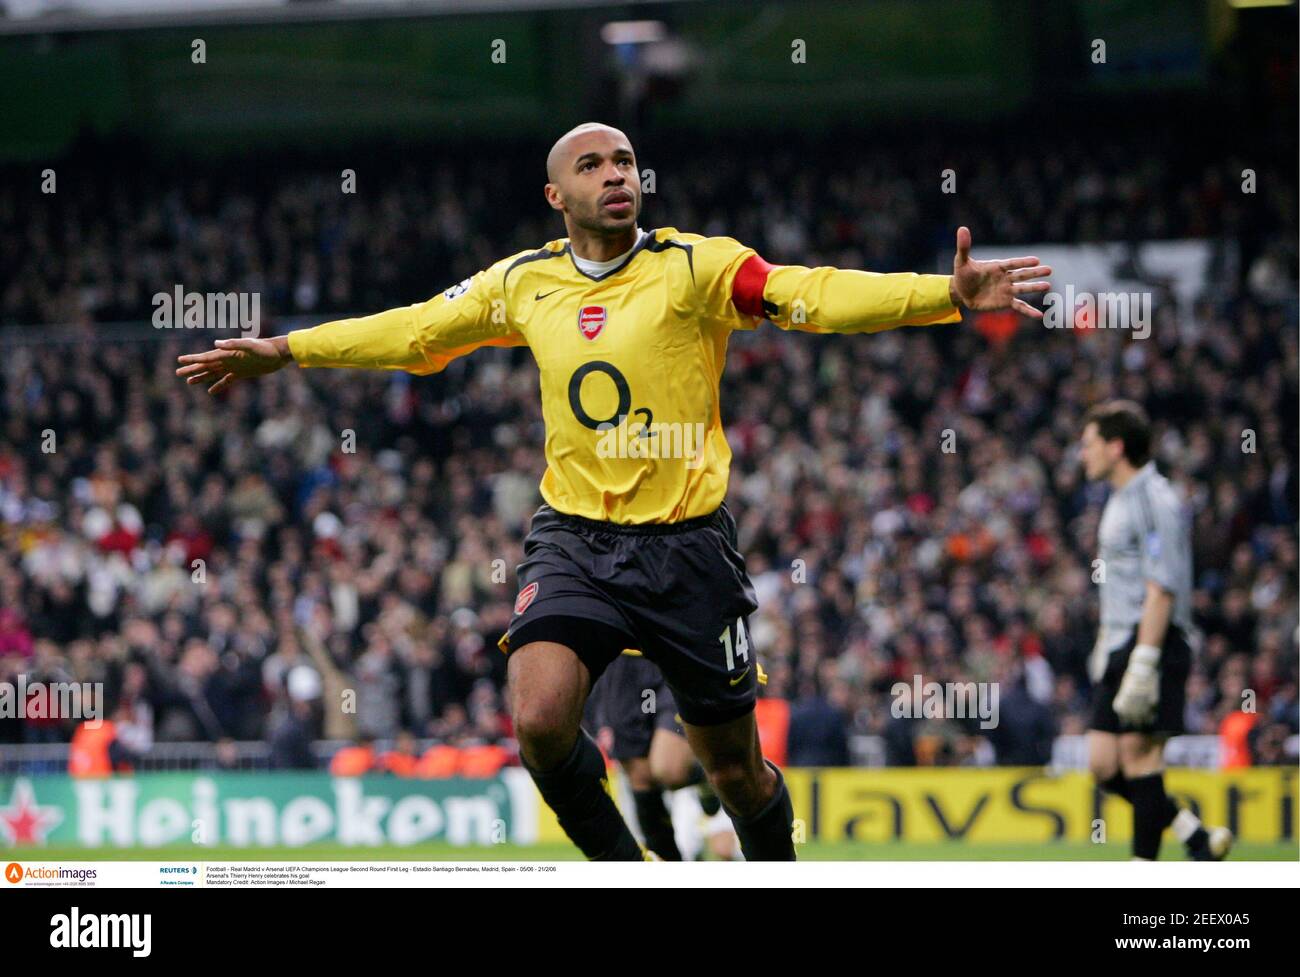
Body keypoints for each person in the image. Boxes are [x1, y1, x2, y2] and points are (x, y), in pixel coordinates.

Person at [176, 122, 1049, 860]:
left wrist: (944, 293)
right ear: (556, 195)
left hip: (688, 548)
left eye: (625, 162)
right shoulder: (524, 283)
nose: (616, 176)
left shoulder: (695, 268)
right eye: (592, 166)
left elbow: (809, 294)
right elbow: (415, 333)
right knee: (539, 720)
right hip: (575, 540)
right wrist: (288, 348)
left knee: (735, 772)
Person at [1078, 400, 1232, 860]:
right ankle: (1195, 837)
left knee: (1141, 759)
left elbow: (1162, 587)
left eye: (1089, 444)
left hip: (1153, 639)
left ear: (1116, 447)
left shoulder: (1153, 498)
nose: (1082, 453)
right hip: (1122, 640)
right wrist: (1108, 643)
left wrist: (1144, 662)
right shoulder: (1121, 497)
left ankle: (1144, 867)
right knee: (1104, 766)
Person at [586, 650, 734, 861]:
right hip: (621, 663)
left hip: (670, 651)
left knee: (669, 769)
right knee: (641, 778)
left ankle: (706, 780)